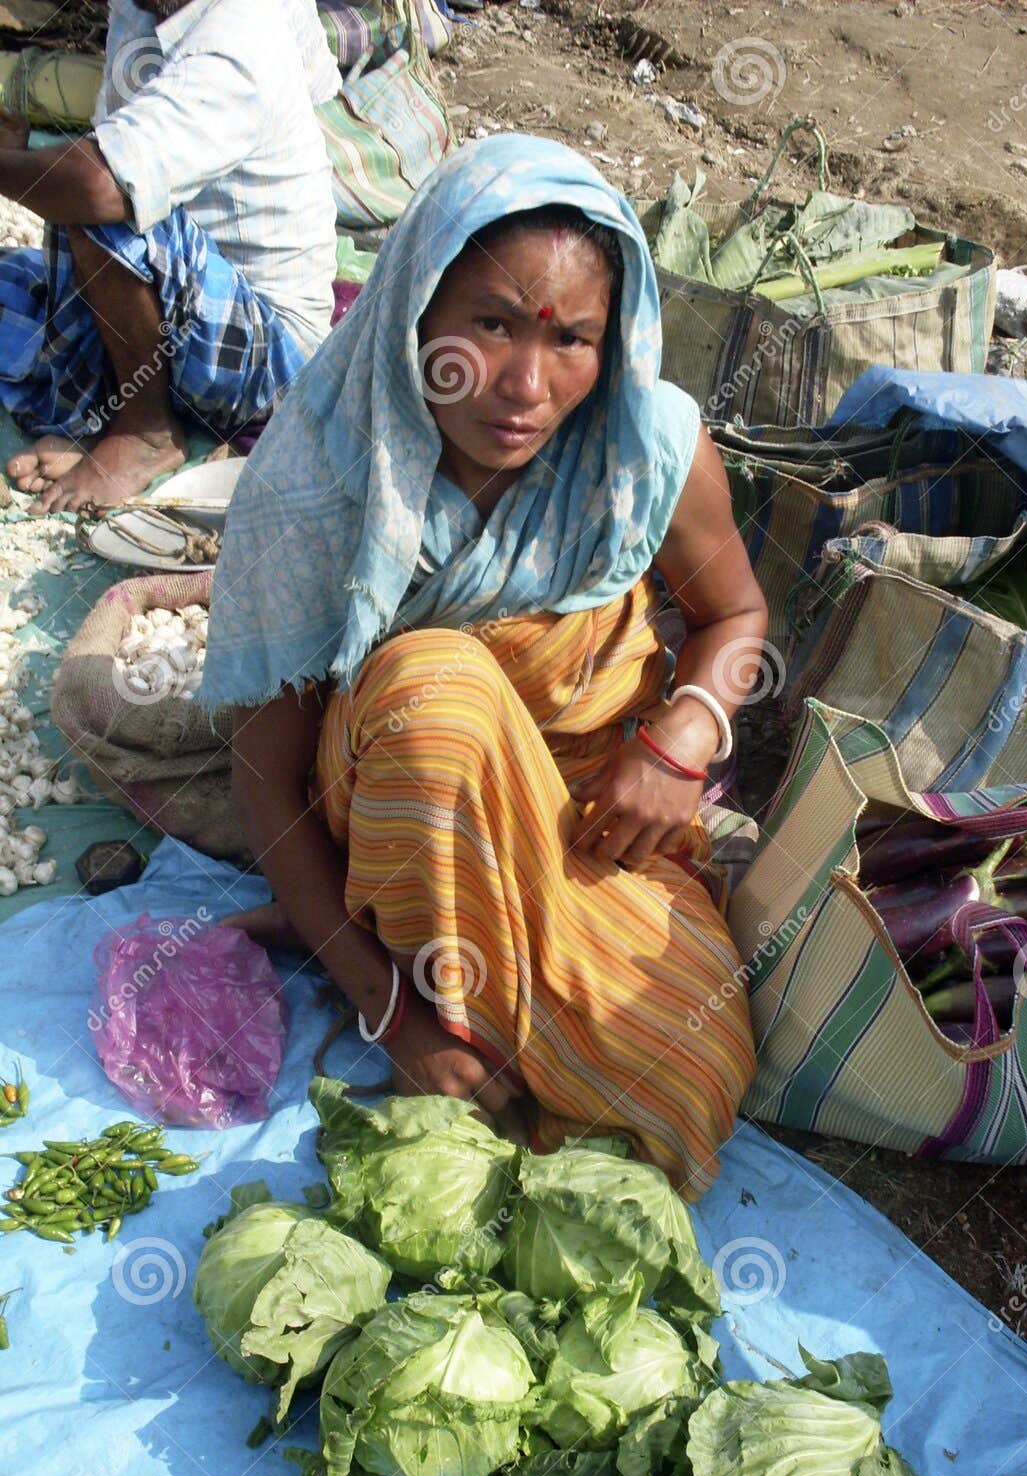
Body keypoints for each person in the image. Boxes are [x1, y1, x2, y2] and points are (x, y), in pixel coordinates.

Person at [201, 136, 766, 1201]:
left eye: (571, 339)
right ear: (416, 306)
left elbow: (735, 613)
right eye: (492, 324)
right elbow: (266, 783)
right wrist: (391, 1017)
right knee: (437, 692)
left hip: (591, 823)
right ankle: (386, 942)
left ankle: (426, 952)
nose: (524, 384)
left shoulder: (644, 451)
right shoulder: (321, 490)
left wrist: (685, 731)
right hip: (403, 794)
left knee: (686, 1073)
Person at [0, 0, 339, 513]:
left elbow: (99, 188)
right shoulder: (141, 12)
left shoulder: (239, 40)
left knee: (101, 206)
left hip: (265, 349)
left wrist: (10, 165)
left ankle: (145, 431)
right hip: (172, 309)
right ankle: (106, 410)